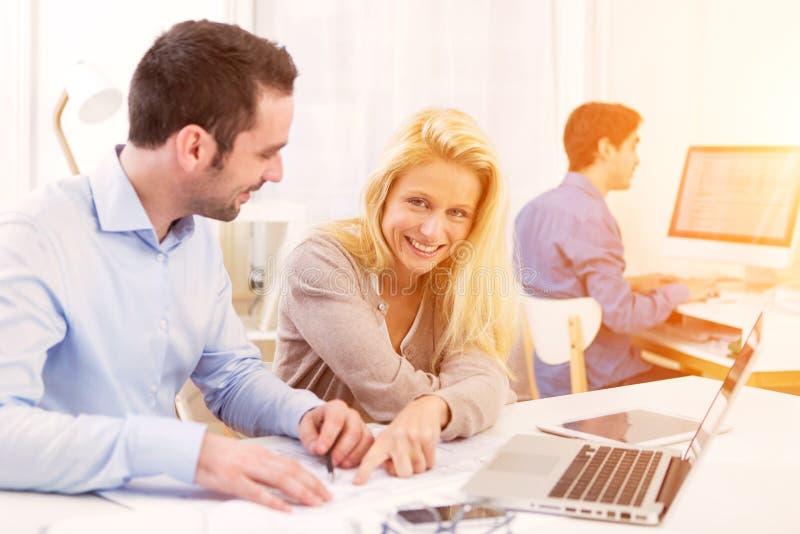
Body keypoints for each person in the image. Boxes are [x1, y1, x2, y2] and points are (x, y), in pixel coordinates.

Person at [0, 20, 373, 511]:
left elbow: (232, 377)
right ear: (194, 147)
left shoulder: (193, 239)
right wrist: (185, 452)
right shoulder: (35, 238)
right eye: (267, 153)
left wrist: (304, 414)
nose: (276, 173)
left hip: (160, 510)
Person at [273, 108, 518, 483]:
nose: (433, 231)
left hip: (406, 472)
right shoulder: (320, 261)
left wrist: (435, 407)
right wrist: (456, 402)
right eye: (418, 202)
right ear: (384, 194)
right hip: (312, 471)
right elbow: (389, 396)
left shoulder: (456, 275)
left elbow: (489, 379)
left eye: (457, 213)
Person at [514, 102, 718, 398]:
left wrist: (633, 284)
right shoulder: (591, 216)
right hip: (602, 384)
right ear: (607, 148)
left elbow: (562, 289)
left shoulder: (532, 211)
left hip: (554, 384)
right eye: (633, 146)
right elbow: (622, 316)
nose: (637, 160)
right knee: (710, 391)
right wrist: (683, 291)